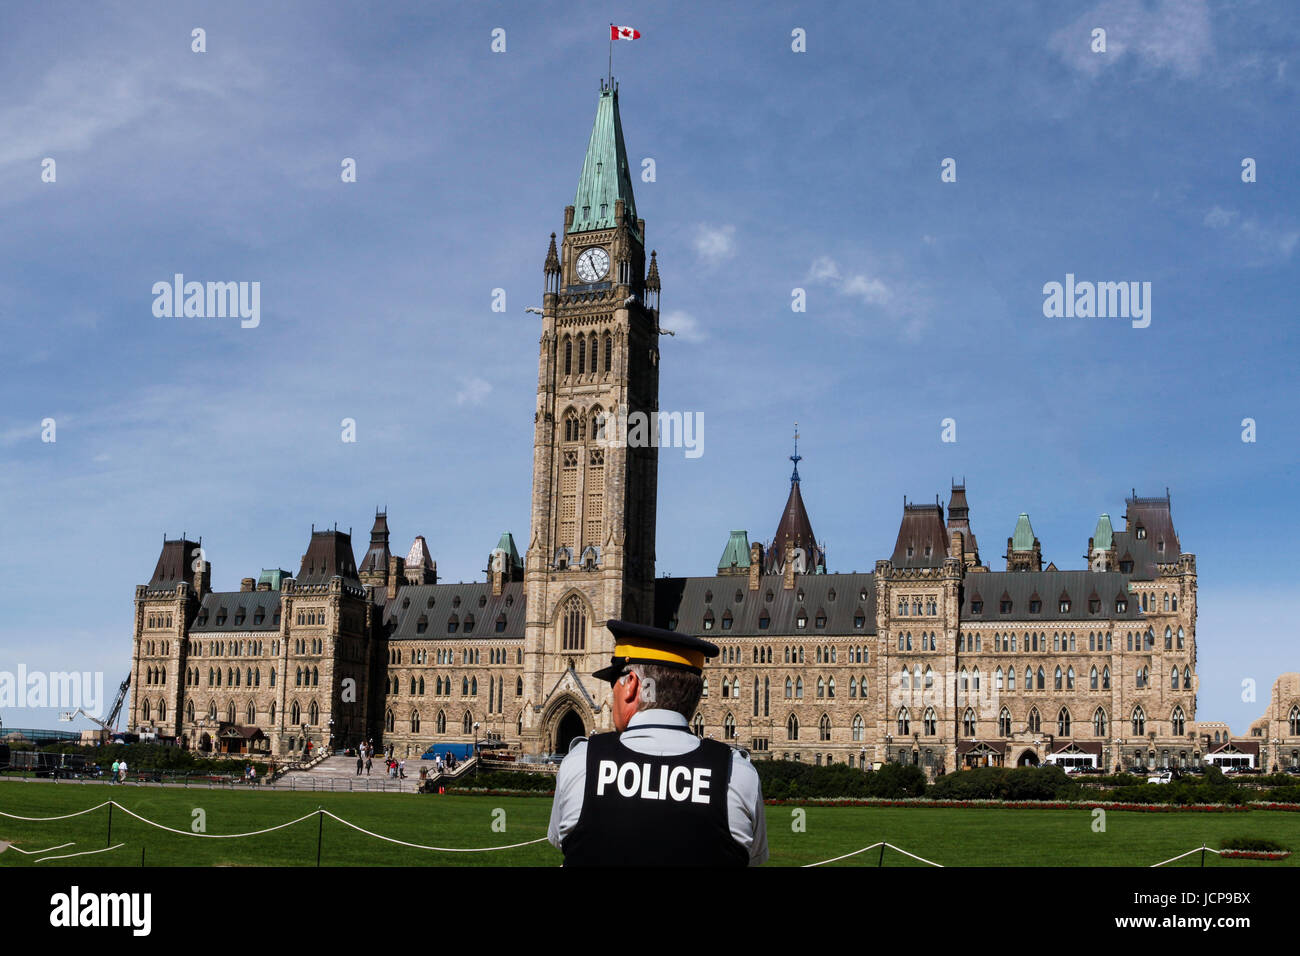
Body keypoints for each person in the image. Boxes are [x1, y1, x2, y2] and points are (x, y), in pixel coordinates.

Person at [547, 620, 768, 867]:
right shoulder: (737, 774)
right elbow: (753, 858)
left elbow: (562, 841)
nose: (611, 694)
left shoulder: (580, 764)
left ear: (630, 685)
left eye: (613, 683)